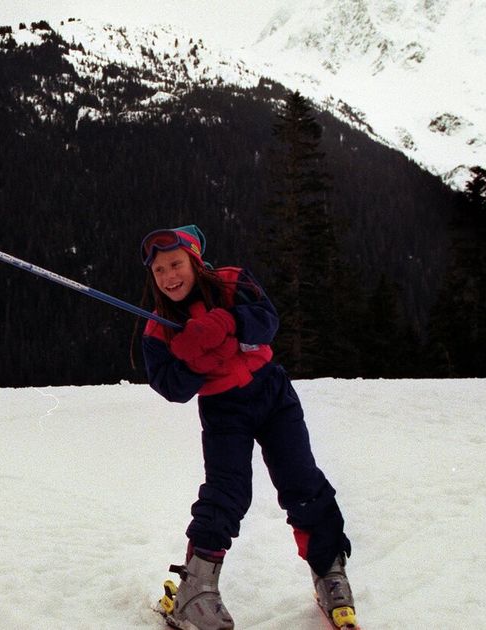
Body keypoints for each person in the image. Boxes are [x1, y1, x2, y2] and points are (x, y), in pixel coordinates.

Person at [137, 226, 357, 630]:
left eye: (175, 264)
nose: (169, 277)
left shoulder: (232, 281)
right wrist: (193, 360)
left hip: (272, 392)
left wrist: (226, 322)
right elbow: (170, 388)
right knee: (227, 494)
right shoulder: (157, 327)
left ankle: (328, 571)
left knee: (302, 481)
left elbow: (267, 321)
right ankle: (194, 590)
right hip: (223, 408)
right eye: (159, 271)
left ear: (194, 261)